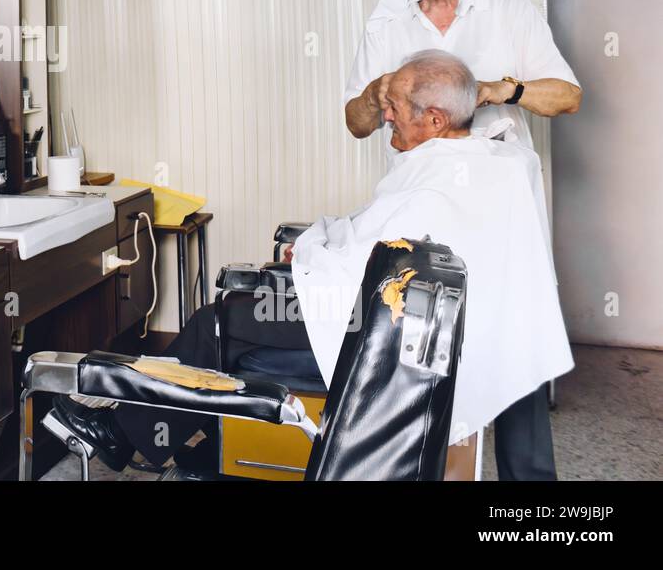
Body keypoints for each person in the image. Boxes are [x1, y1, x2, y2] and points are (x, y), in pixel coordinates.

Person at [48, 51, 572, 480]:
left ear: (433, 119)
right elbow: (376, 238)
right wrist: (320, 249)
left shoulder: (439, 178)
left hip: (374, 327)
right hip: (391, 316)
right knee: (241, 319)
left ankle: (126, 435)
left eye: (393, 106)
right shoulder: (484, 161)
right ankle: (193, 444)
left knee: (219, 321)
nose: (385, 115)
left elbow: (372, 260)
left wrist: (314, 254)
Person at [345, 0, 580, 154]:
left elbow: (568, 98)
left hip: (500, 183)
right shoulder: (385, 22)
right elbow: (356, 125)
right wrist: (371, 97)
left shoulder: (511, 10)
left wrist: (504, 89)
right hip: (418, 184)